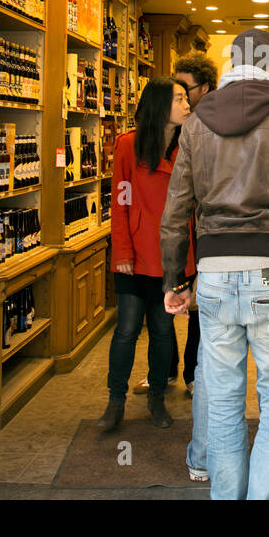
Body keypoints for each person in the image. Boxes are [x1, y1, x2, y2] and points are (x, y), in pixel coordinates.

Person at [161, 29, 269, 500]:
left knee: (221, 403)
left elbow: (176, 211)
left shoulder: (196, 124)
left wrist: (176, 278)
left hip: (215, 276)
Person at [96, 77, 194, 432]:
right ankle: (115, 400)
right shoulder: (128, 146)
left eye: (186, 98)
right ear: (159, 106)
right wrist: (121, 249)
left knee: (164, 331)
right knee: (125, 329)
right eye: (180, 99)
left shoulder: (190, 147)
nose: (187, 105)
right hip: (134, 255)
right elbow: (119, 202)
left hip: (172, 257)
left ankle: (156, 398)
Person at [131, 52, 220, 398]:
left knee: (200, 311)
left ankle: (193, 373)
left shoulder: (207, 128)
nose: (179, 94)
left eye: (185, 88)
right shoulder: (165, 132)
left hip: (200, 234)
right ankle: (163, 372)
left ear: (204, 89)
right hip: (168, 234)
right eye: (175, 88)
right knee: (163, 308)